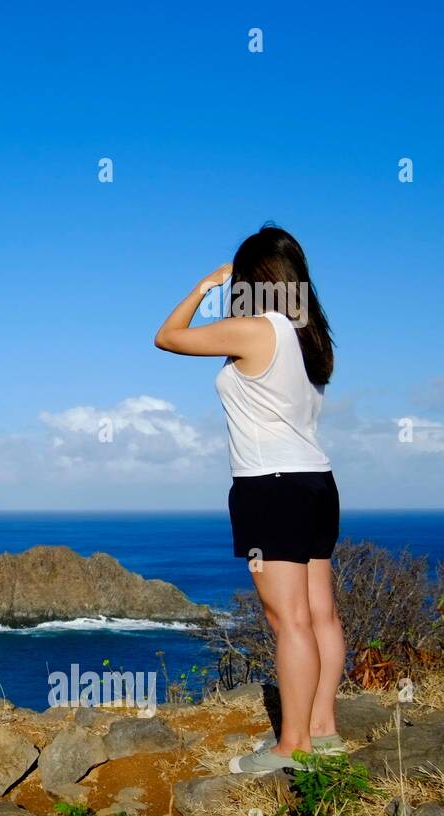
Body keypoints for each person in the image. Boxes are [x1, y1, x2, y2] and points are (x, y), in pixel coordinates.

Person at [154, 224, 345, 772]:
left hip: (271, 485)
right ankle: (322, 730)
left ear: (254, 279)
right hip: (317, 483)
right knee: (321, 615)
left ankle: (292, 749)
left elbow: (167, 336)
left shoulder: (258, 328)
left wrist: (201, 286)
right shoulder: (310, 338)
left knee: (290, 621)